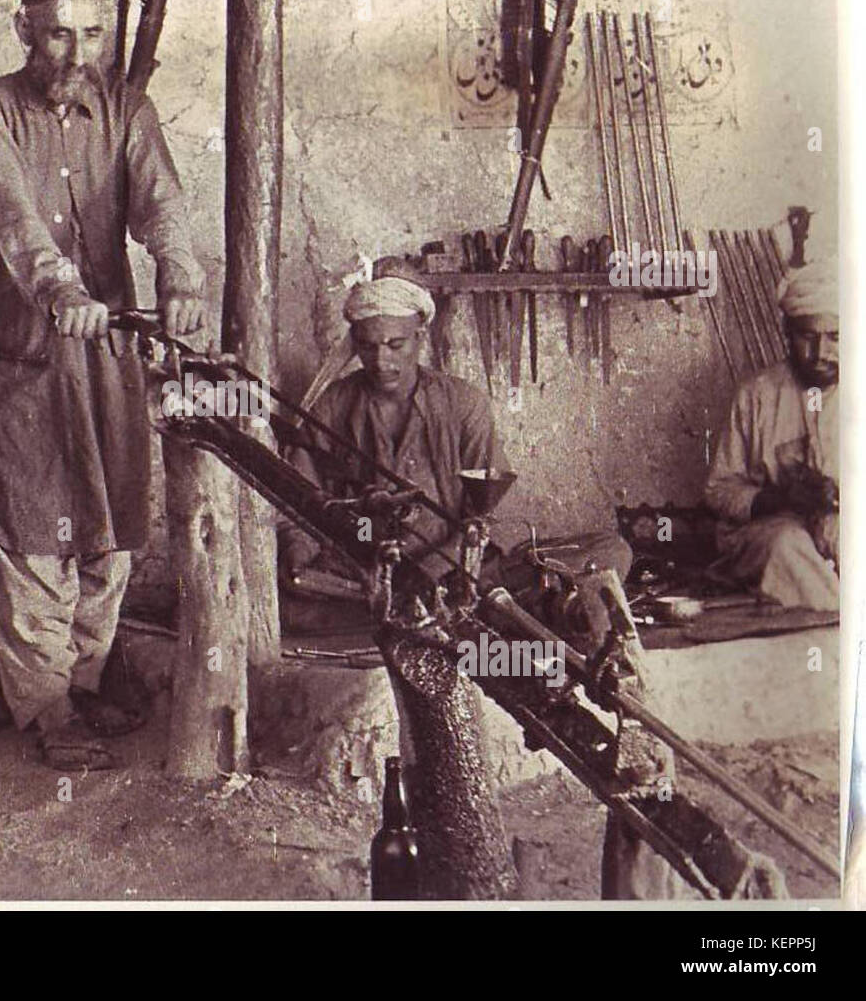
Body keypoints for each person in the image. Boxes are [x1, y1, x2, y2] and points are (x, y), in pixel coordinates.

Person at [281, 273, 680, 899]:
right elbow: (308, 512)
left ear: (421, 338)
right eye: (370, 345)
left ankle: (556, 620)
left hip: (461, 569)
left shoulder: (462, 402)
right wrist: (364, 521)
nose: (383, 359)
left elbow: (478, 512)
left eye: (397, 344)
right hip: (373, 578)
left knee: (608, 552)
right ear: (354, 344)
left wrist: (456, 548)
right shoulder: (331, 408)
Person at [0, 0, 206, 770]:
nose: (76, 53)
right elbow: (14, 219)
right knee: (26, 519)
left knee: (112, 512)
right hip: (19, 342)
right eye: (57, 34)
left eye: (91, 33)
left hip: (107, 342)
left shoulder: (130, 109)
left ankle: (89, 676)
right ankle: (46, 702)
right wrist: (57, 288)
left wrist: (181, 273)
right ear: (23, 26)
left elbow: (161, 203)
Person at [704, 263, 838, 610]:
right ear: (786, 332)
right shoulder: (757, 395)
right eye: (807, 336)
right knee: (786, 544)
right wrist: (780, 498)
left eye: (836, 336)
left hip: (838, 528)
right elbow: (718, 491)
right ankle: (839, 629)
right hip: (768, 534)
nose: (821, 352)